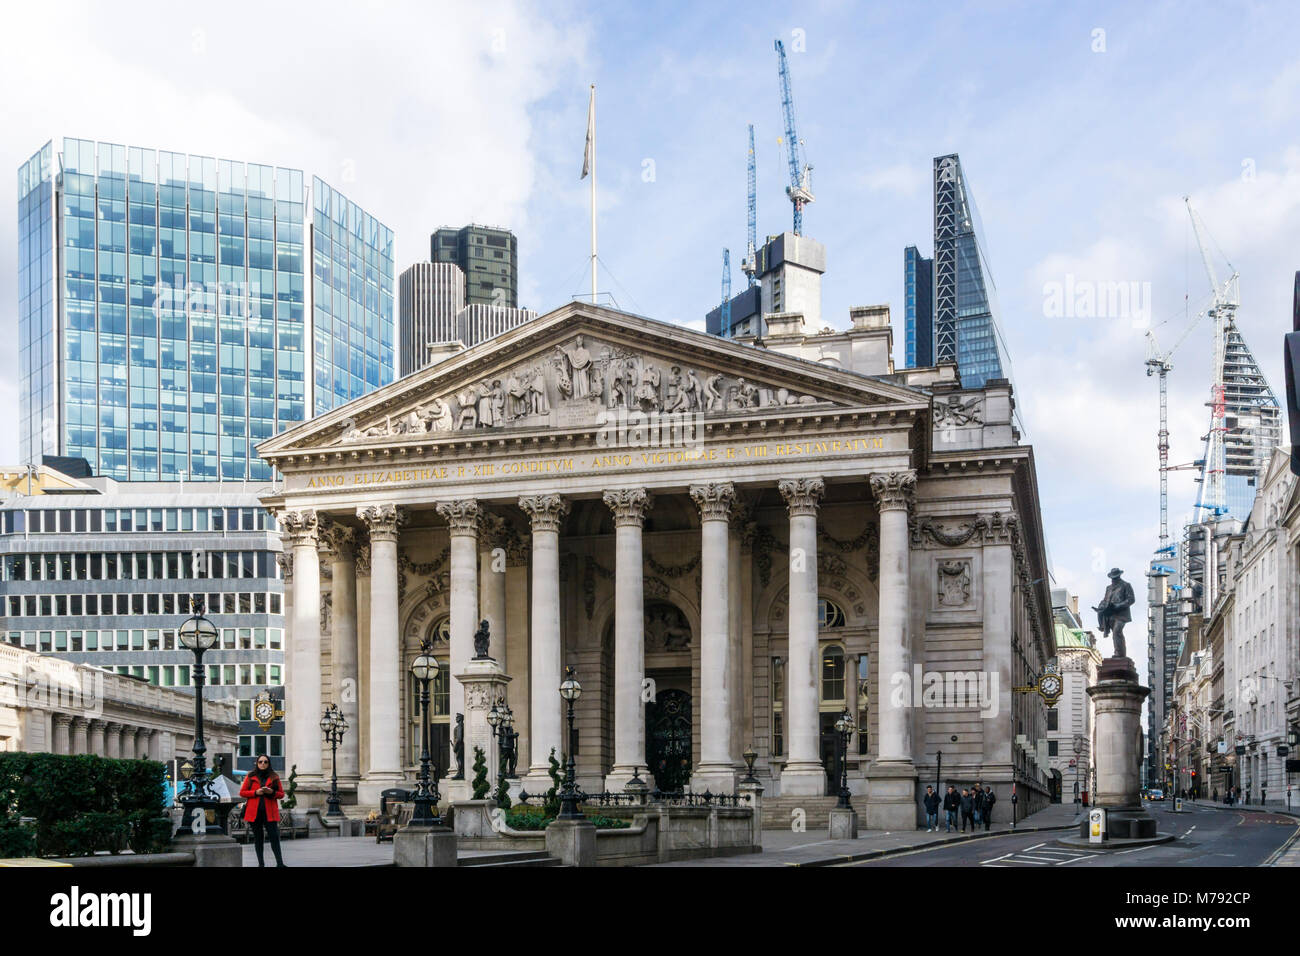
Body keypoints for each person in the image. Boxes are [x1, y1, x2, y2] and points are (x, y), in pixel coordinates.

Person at [239, 754, 286, 867]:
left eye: (265, 762)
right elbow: (242, 792)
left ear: (268, 763)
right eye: (260, 762)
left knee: (274, 837)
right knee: (258, 839)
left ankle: (280, 863)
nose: (263, 764)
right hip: (254, 814)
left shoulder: (274, 776)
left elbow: (282, 794)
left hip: (270, 813)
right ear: (257, 763)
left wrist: (272, 792)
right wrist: (255, 792)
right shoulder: (250, 776)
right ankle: (261, 864)